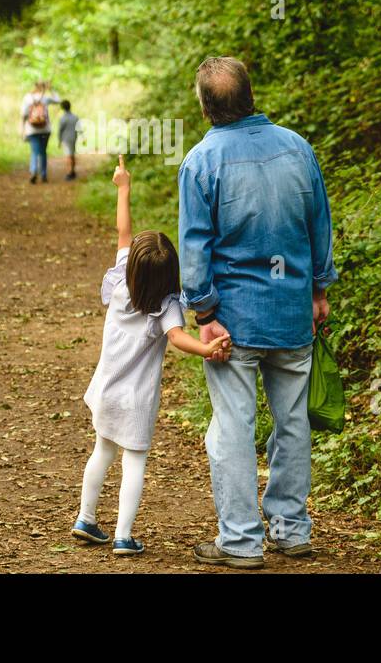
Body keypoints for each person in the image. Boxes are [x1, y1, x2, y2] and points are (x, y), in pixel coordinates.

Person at [177, 56, 337, 569]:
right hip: (291, 312)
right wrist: (317, 290)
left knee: (232, 427)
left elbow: (195, 247)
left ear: (205, 106)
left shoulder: (200, 163)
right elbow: (319, 226)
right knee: (292, 422)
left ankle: (241, 541)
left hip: (234, 323)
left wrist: (204, 314)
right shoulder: (298, 148)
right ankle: (291, 531)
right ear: (251, 93)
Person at [73, 155, 232, 557]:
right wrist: (208, 348)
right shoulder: (167, 304)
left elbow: (123, 233)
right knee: (134, 464)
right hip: (137, 401)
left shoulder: (123, 279)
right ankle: (124, 536)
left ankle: (86, 519)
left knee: (102, 452)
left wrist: (122, 188)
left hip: (106, 390)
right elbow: (179, 339)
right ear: (170, 274)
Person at [20, 80, 61, 184]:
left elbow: (24, 114)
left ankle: (33, 171)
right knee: (43, 152)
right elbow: (58, 100)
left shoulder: (27, 98)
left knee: (34, 151)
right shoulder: (45, 98)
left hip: (32, 129)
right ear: (43, 87)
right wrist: (51, 89)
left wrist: (22, 128)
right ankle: (43, 174)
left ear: (34, 86)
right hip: (45, 129)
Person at [58, 100, 80, 181]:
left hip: (66, 139)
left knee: (68, 156)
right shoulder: (75, 117)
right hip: (74, 138)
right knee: (72, 155)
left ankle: (70, 172)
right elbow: (79, 128)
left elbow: (60, 131)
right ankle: (73, 171)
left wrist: (59, 140)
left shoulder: (63, 118)